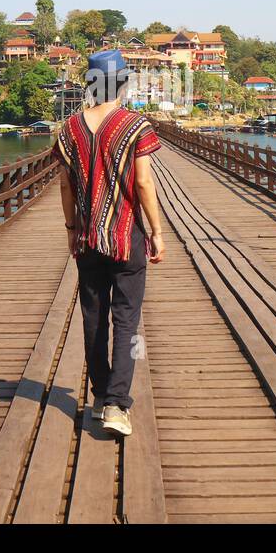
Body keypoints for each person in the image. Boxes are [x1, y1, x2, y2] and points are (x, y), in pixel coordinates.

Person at [53, 49, 165, 438]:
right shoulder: (135, 125)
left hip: (86, 239)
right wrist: (156, 231)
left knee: (93, 315)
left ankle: (101, 396)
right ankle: (117, 405)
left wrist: (71, 228)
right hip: (125, 236)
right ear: (123, 83)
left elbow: (66, 184)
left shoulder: (69, 129)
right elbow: (144, 183)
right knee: (127, 318)